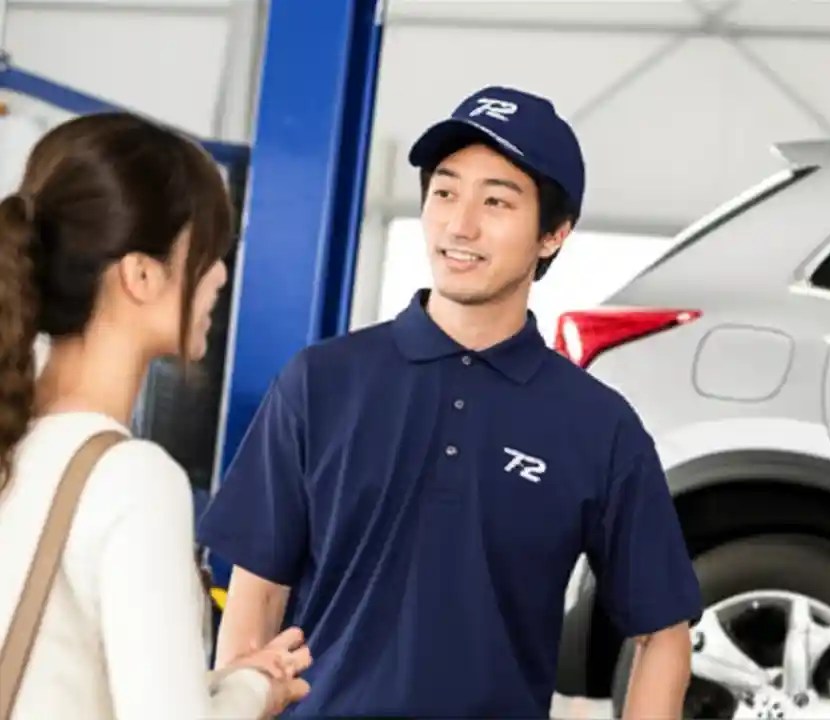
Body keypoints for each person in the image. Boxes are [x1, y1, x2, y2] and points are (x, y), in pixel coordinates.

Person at [197, 85, 704, 718]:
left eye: (496, 201)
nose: (460, 225)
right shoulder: (319, 383)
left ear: (553, 233)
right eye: (444, 191)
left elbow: (663, 631)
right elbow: (258, 597)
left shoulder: (598, 426)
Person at [0, 112, 312, 719]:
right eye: (209, 250)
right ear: (140, 274)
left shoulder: (18, 443)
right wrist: (254, 692)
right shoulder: (131, 478)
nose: (220, 274)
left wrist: (220, 683)